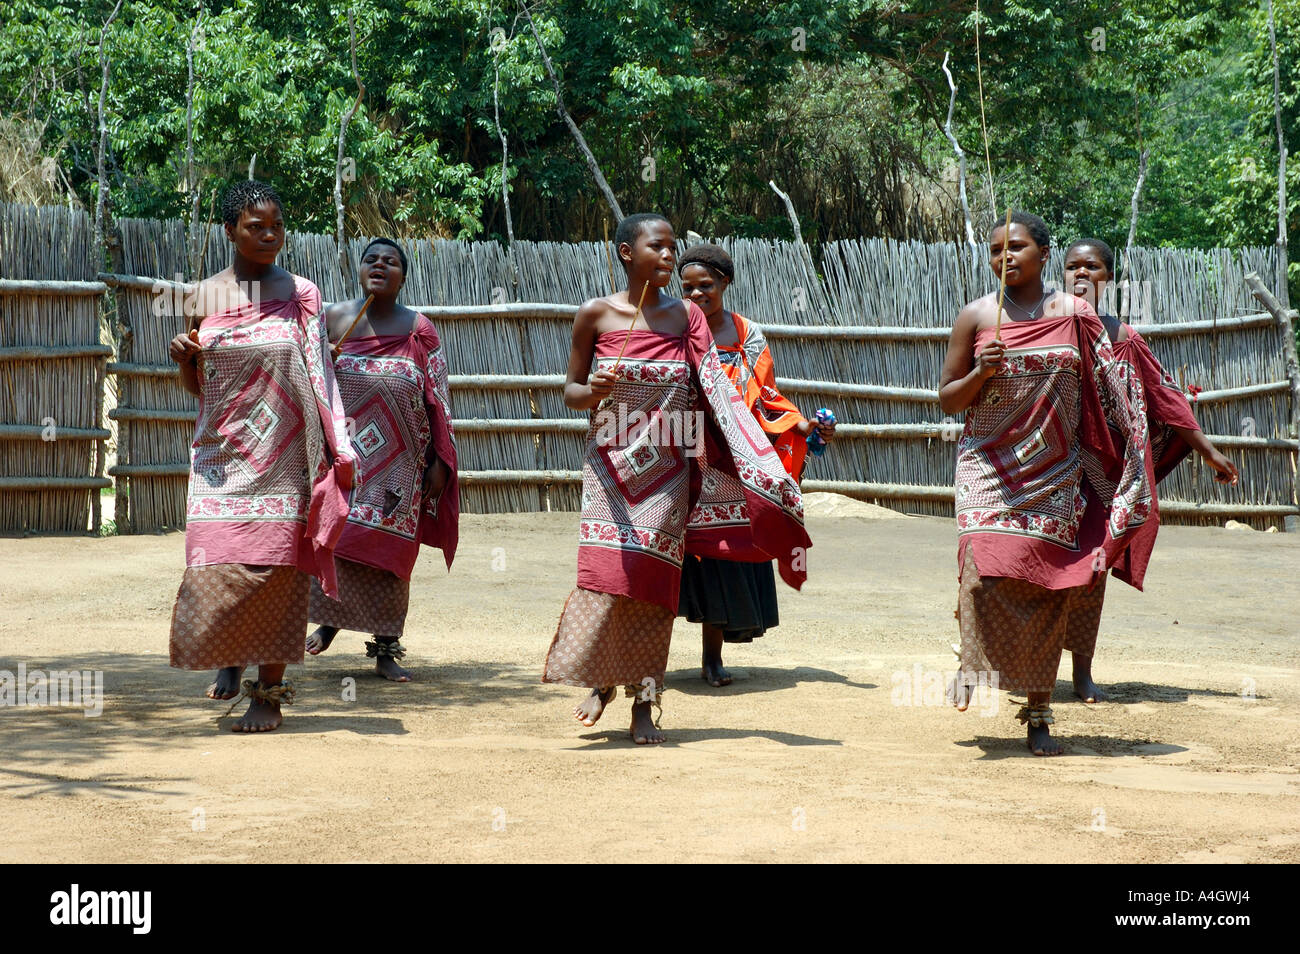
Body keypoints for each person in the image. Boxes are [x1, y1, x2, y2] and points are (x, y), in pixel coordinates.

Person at [542, 213, 811, 743]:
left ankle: (645, 702)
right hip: (608, 468)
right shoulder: (595, 315)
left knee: (651, 587)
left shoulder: (686, 316)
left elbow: (714, 385)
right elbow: (569, 391)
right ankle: (601, 682)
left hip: (667, 471)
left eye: (672, 248)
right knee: (605, 579)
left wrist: (758, 460)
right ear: (625, 253)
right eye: (658, 247)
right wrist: (593, 390)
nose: (669, 256)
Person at [938, 211, 1156, 756]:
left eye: (1015, 247)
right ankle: (972, 664)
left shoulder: (1074, 314)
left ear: (1041, 252)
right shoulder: (975, 316)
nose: (1004, 258)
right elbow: (946, 398)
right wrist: (980, 373)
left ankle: (1038, 713)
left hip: (1054, 471)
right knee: (980, 563)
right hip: (987, 464)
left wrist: (1124, 452)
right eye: (995, 251)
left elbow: (1109, 384)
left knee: (1046, 586)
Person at [167, 180, 355, 732]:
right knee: (212, 562)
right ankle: (231, 657)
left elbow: (318, 371)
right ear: (229, 230)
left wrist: (332, 449)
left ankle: (268, 693)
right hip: (220, 455)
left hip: (286, 457)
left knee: (278, 571)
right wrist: (182, 356)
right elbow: (198, 384)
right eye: (255, 226)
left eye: (276, 225)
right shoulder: (202, 297)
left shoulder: (302, 293)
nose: (269, 235)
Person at [1062, 238, 1239, 701]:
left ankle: (1081, 673)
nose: (1081, 274)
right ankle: (1018, 664)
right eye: (1072, 266)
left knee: (1090, 571)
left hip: (1098, 478)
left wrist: (1208, 451)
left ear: (1108, 278)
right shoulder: (1043, 329)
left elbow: (1165, 397)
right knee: (1029, 564)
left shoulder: (1123, 338)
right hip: (1044, 472)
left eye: (1093, 267)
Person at [676, 243, 835, 686]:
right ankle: (649, 661)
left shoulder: (747, 334)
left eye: (705, 285)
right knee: (693, 553)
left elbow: (766, 397)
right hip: (690, 453)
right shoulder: (674, 330)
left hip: (737, 457)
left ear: (725, 283)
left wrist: (803, 427)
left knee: (725, 551)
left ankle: (713, 657)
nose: (695, 295)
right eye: (687, 287)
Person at [304, 238, 459, 681]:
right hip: (346, 453)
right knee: (338, 536)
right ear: (359, 270)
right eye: (371, 259)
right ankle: (331, 619)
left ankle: (386, 648)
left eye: (390, 261)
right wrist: (323, 362)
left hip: (402, 462)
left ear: (403, 276)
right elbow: (309, 376)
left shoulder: (419, 328)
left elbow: (440, 398)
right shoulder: (333, 318)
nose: (379, 265)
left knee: (390, 554)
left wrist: (440, 463)